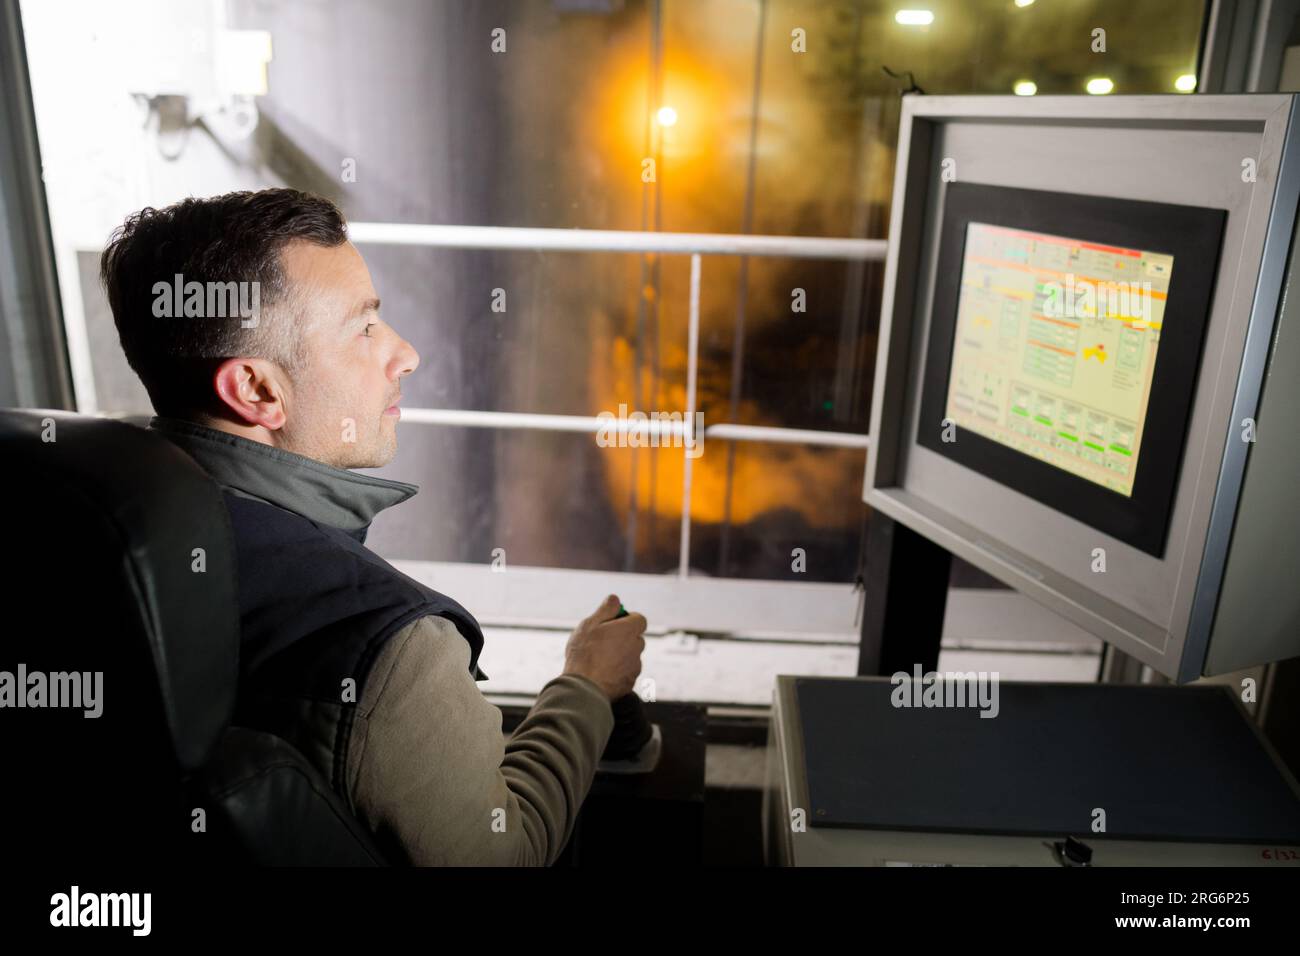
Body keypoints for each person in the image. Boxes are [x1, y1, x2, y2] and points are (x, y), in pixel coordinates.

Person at [99, 187, 647, 865]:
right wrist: (587, 684)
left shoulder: (86, 524)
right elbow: (506, 852)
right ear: (258, 391)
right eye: (363, 329)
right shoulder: (394, 650)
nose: (406, 355)